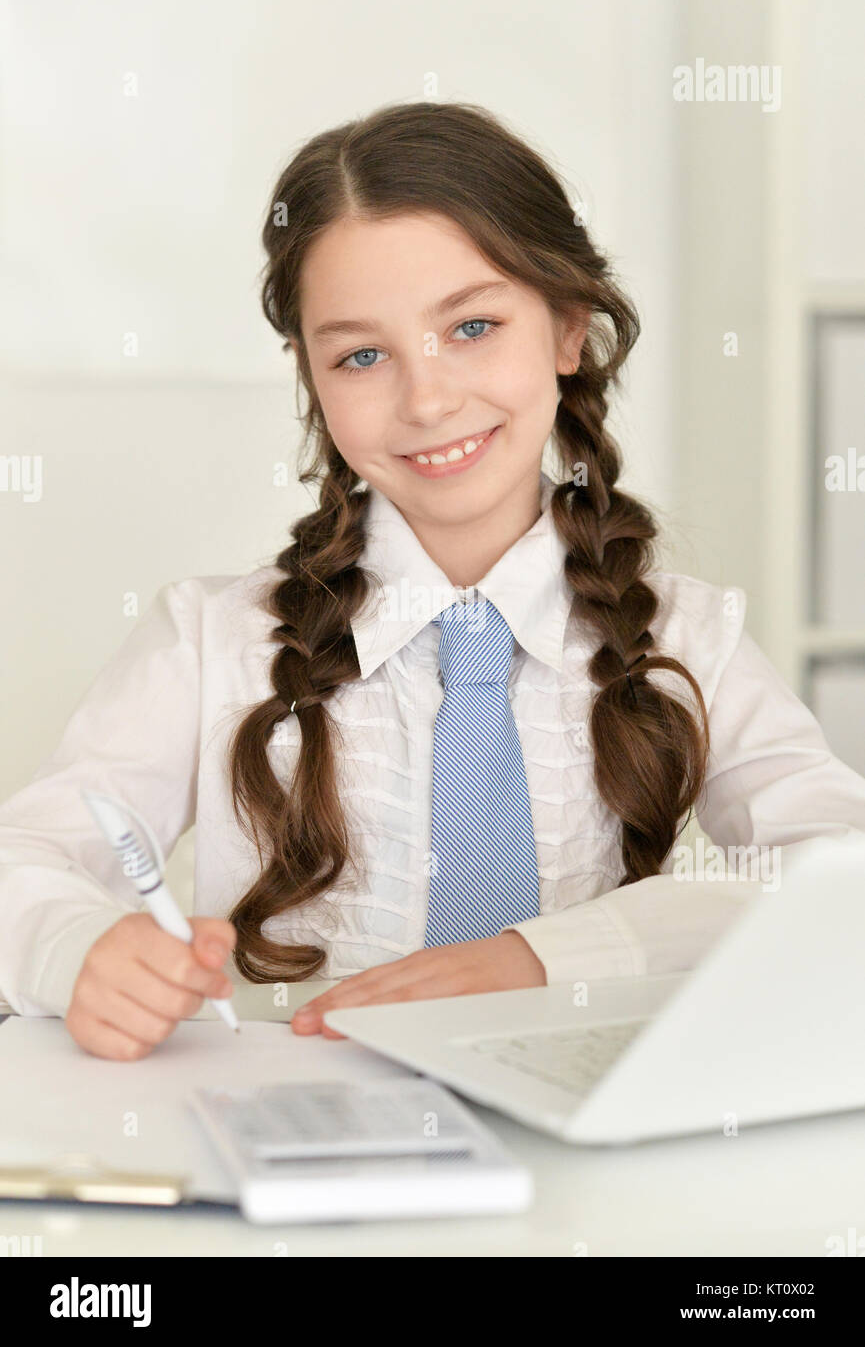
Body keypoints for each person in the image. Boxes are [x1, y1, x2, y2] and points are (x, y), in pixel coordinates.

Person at [2, 101, 864, 1061]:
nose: (425, 398)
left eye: (473, 326)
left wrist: (543, 958)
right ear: (313, 381)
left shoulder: (684, 638)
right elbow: (27, 860)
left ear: (568, 330)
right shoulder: (207, 641)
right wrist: (75, 948)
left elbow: (843, 873)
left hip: (577, 1153)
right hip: (289, 1138)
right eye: (361, 355)